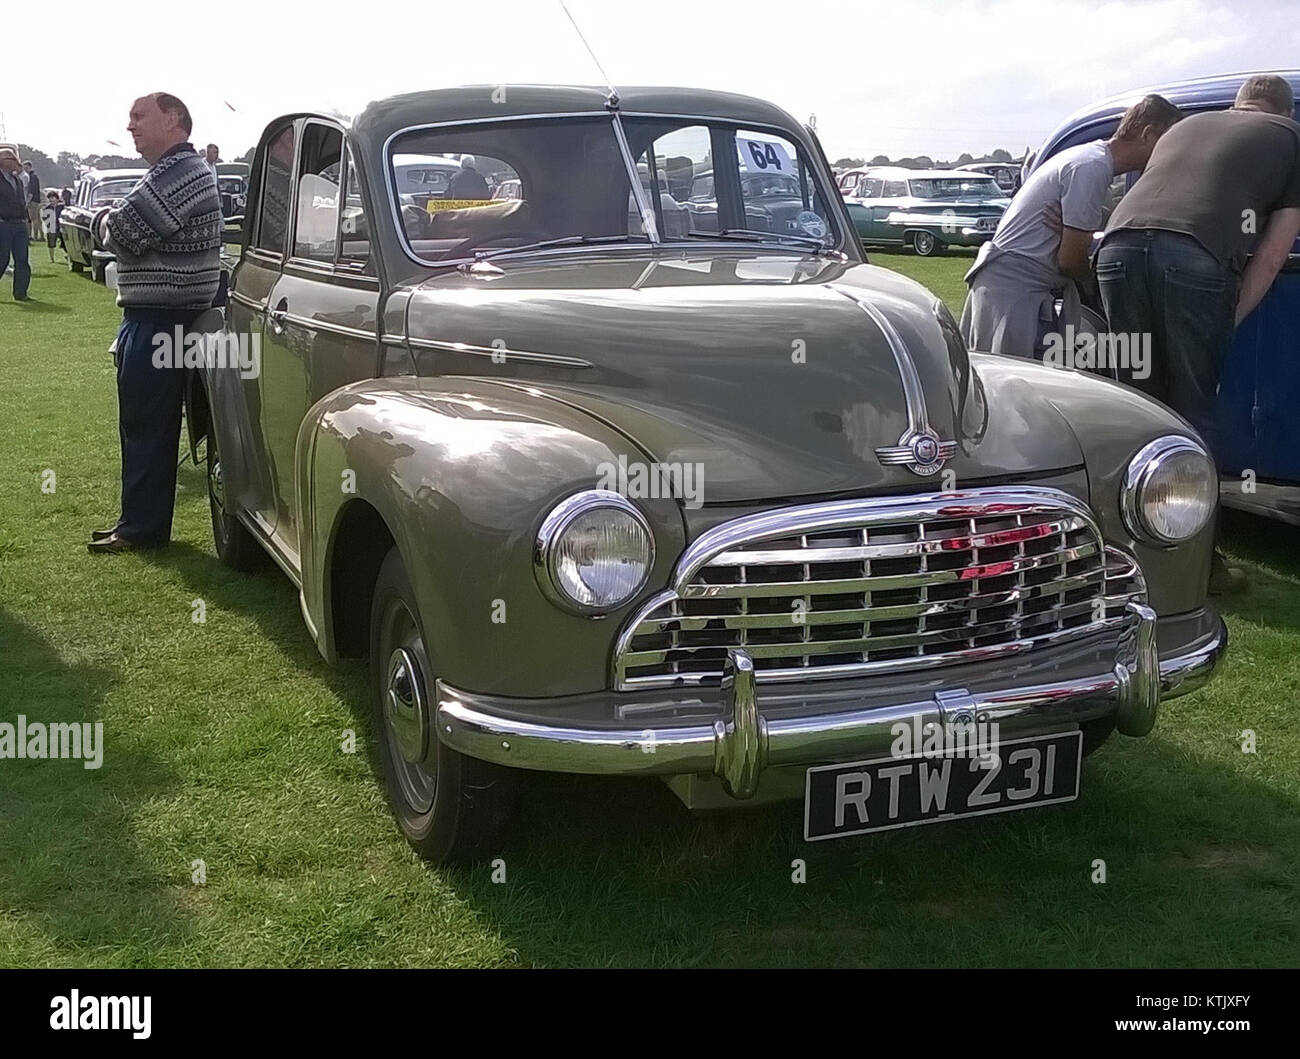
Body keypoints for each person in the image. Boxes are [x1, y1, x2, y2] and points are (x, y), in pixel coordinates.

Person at [1098, 75, 1300, 593]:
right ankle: (1196, 566)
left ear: (1238, 106)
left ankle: (1124, 558)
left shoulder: (1182, 128)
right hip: (1196, 257)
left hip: (1118, 249)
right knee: (1192, 415)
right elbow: (1274, 253)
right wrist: (1227, 316)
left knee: (1136, 410)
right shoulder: (1290, 136)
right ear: (1285, 109)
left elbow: (1142, 202)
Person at [88, 92, 222, 554]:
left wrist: (106, 218)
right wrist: (115, 220)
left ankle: (141, 529)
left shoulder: (180, 173)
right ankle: (136, 521)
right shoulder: (172, 172)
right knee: (143, 423)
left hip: (162, 319)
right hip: (159, 317)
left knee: (147, 424)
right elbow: (125, 230)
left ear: (173, 120)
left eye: (138, 116)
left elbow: (121, 233)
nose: (130, 126)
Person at [960, 95, 1182, 359]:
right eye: (1169, 143)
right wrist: (1090, 274)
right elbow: (1069, 261)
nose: (1172, 154)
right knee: (1006, 387)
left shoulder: (1089, 159)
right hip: (1013, 294)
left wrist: (1075, 237)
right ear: (1147, 134)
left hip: (1011, 289)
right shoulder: (1092, 168)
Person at [0, 146, 32, 301]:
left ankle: (21, 292)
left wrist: (26, 219)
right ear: (3, 161)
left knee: (22, 259)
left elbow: (22, 201)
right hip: (3, 224)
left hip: (19, 224)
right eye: (12, 159)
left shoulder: (17, 179)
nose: (16, 163)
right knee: (2, 258)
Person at [40, 189, 63, 262]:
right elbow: (44, 218)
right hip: (52, 226)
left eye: (53, 197)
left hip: (61, 226)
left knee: (64, 242)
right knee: (51, 243)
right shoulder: (47, 208)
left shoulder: (62, 206)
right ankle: (52, 258)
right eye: (50, 198)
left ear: (56, 198)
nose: (51, 199)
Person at [23, 161, 42, 241]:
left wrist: (27, 201)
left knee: (33, 219)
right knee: (38, 218)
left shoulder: (32, 177)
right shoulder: (35, 176)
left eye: (26, 168)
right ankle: (41, 235)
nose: (25, 170)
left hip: (33, 200)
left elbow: (31, 191)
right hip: (37, 200)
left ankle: (35, 236)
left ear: (30, 167)